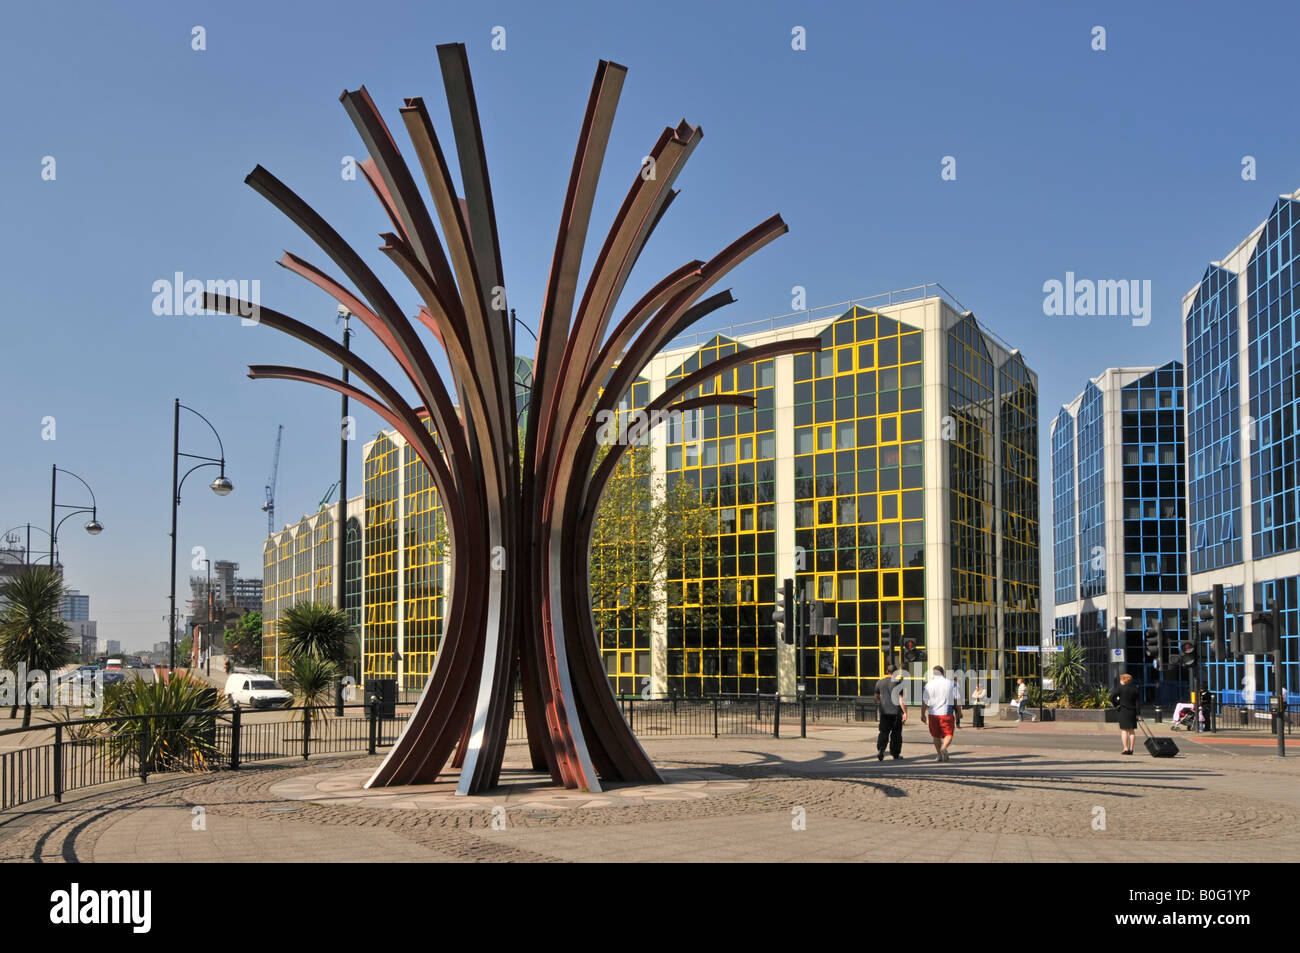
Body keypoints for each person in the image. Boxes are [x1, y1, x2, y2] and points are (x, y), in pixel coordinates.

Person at [922, 666, 957, 762]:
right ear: (943, 673)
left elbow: (925, 701)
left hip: (933, 714)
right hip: (946, 714)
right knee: (949, 733)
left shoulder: (929, 685)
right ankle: (944, 747)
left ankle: (938, 755)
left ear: (934, 673)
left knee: (935, 736)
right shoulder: (951, 684)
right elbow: (957, 700)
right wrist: (959, 712)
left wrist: (922, 714)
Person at [873, 663, 907, 761]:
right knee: (896, 734)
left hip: (884, 712)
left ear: (887, 672)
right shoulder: (898, 683)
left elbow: (876, 696)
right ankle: (895, 754)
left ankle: (881, 750)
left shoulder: (879, 682)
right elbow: (901, 699)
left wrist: (882, 702)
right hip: (895, 712)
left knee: (883, 732)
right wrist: (905, 712)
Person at [1110, 672, 1141, 754]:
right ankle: (1131, 749)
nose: (1120, 680)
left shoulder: (1120, 688)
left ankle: (1125, 748)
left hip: (1123, 710)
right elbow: (1138, 703)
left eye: (1121, 679)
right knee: (1131, 730)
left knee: (1124, 730)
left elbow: (1112, 696)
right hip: (1132, 711)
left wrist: (1116, 703)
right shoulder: (1135, 689)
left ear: (1124, 680)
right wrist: (1138, 714)